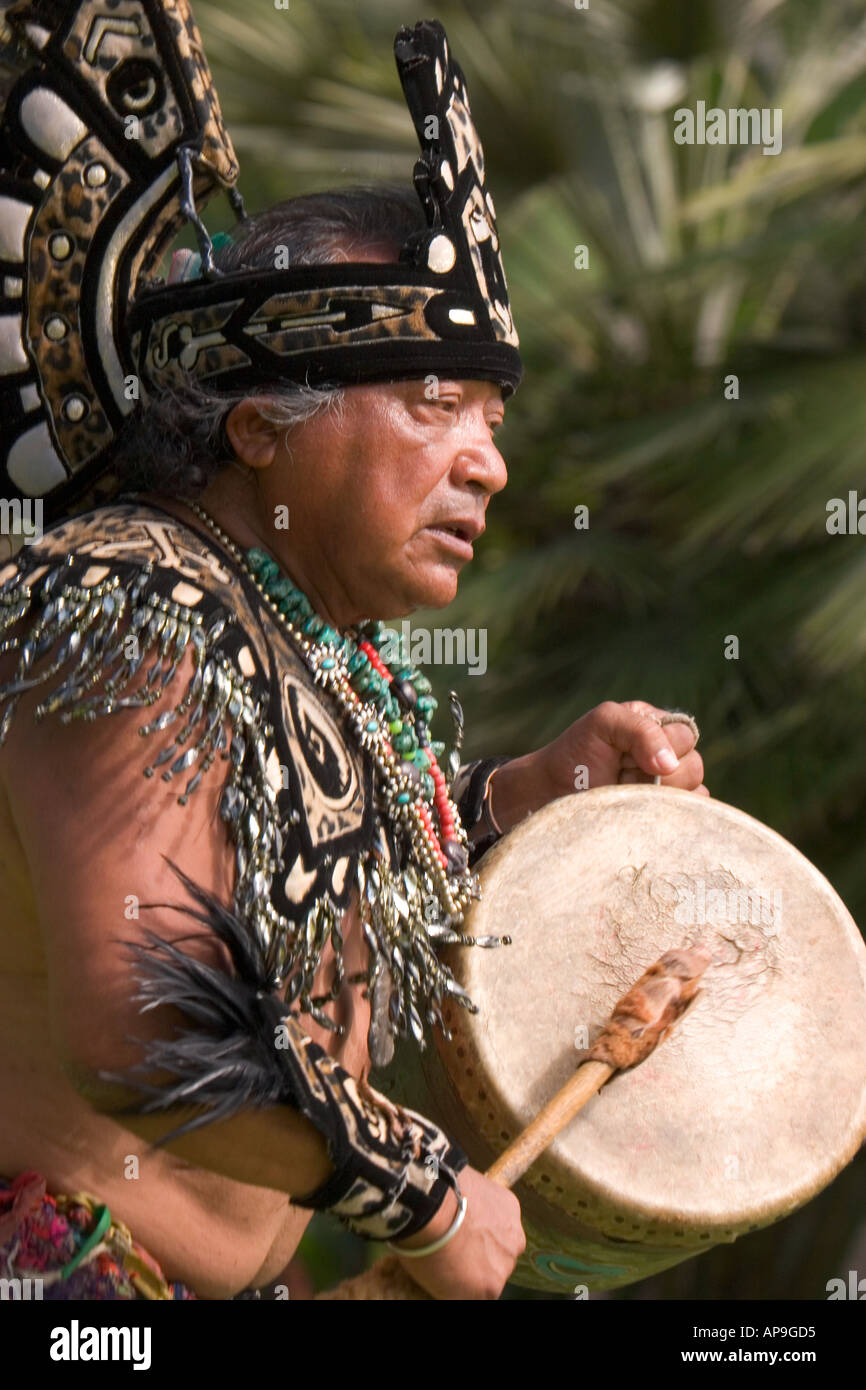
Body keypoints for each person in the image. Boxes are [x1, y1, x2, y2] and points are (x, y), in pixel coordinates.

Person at [0, 9, 705, 1300]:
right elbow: (144, 1026)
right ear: (265, 425)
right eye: (433, 403)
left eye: (490, 417)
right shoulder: (128, 600)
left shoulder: (304, 636)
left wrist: (527, 791)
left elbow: (312, 873)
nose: (486, 460)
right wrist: (427, 1193)